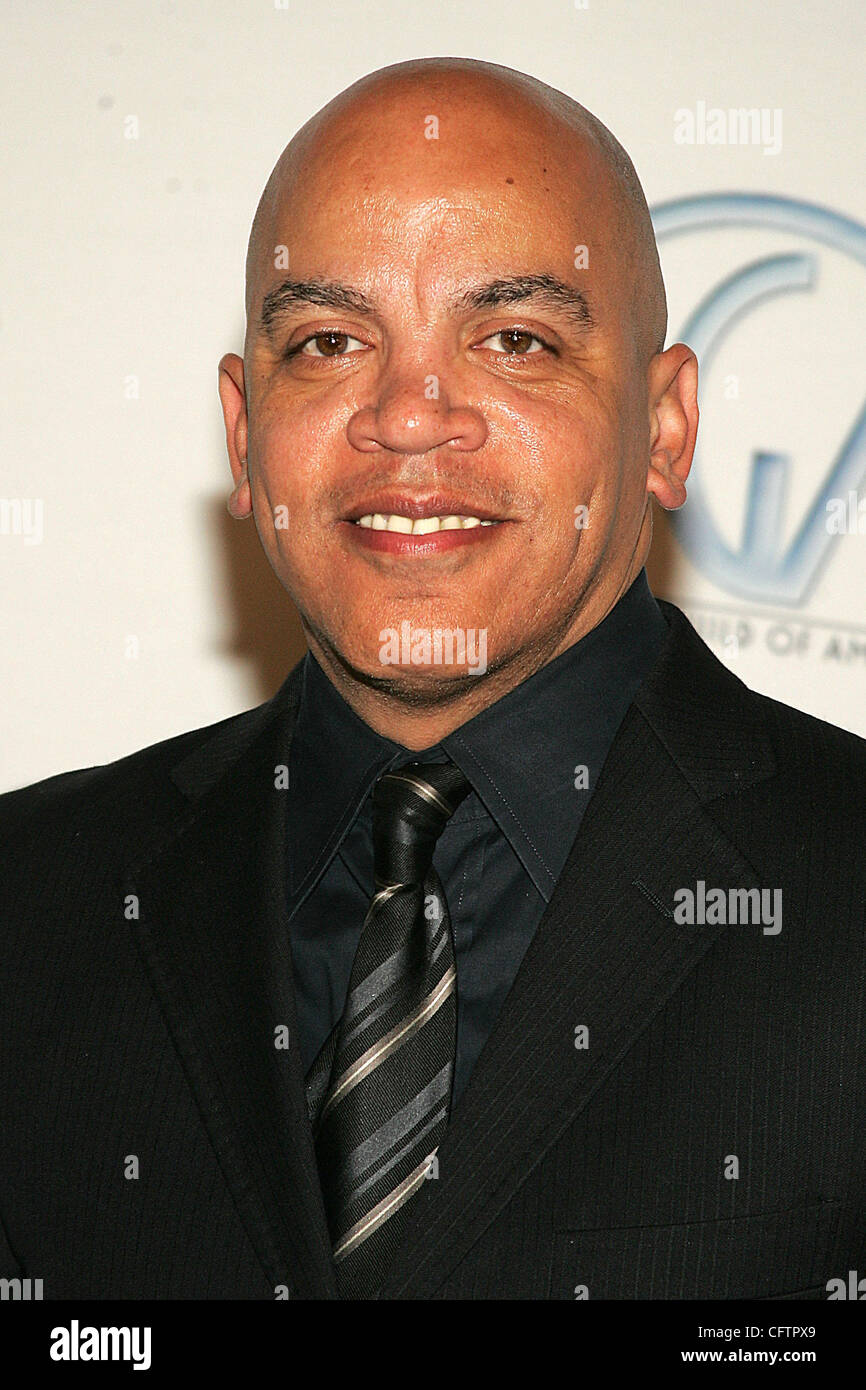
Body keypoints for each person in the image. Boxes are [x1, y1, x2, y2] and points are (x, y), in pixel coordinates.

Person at [1, 57, 864, 1301]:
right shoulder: (27, 907)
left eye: (512, 338)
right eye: (328, 340)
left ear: (664, 429)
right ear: (244, 439)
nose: (408, 416)